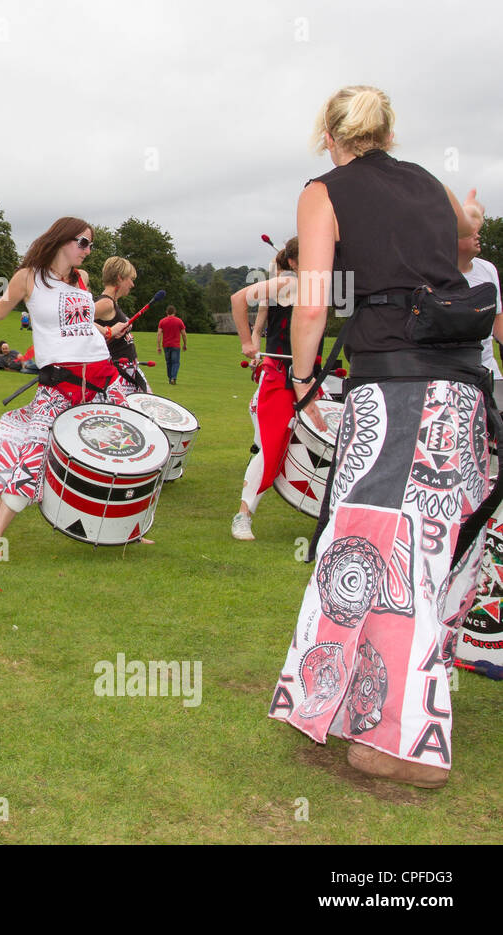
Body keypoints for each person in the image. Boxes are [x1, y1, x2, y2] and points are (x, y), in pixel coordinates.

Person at [268, 86, 488, 788]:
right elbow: (462, 225)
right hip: (459, 391)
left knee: (382, 555)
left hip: (394, 391)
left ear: (329, 134)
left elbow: (313, 300)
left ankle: (404, 744)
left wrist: (302, 379)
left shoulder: (323, 189)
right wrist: (466, 217)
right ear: (387, 131)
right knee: (413, 553)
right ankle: (357, 708)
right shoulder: (427, 182)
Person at [0, 217, 132, 561]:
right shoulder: (28, 278)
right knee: (32, 458)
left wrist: (107, 332)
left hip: (102, 377)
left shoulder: (82, 279)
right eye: (83, 242)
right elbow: (1, 309)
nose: (88, 250)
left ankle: (129, 530)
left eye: (91, 244)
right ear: (62, 239)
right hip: (59, 381)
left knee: (121, 451)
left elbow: (80, 323)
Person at [229, 238, 300, 541]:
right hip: (280, 375)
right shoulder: (289, 282)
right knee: (269, 447)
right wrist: (248, 342)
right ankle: (242, 516)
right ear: (294, 262)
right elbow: (238, 299)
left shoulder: (320, 282)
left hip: (307, 376)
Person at [456, 201, 503, 409]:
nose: (478, 236)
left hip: (490, 373)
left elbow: (498, 320)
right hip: (455, 376)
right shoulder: (434, 275)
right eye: (469, 232)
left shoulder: (488, 270)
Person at [94, 256, 149, 395]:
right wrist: (107, 331)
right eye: (130, 279)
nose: (132, 284)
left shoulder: (113, 303)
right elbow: (78, 318)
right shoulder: (106, 303)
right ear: (119, 278)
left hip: (129, 370)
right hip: (118, 374)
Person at [156, 306, 186, 384]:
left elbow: (159, 334)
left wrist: (158, 346)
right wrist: (185, 344)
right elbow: (183, 334)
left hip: (166, 345)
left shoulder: (162, 321)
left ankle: (170, 379)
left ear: (166, 312)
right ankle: (173, 377)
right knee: (175, 362)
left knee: (168, 362)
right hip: (176, 345)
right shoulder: (179, 321)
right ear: (174, 312)